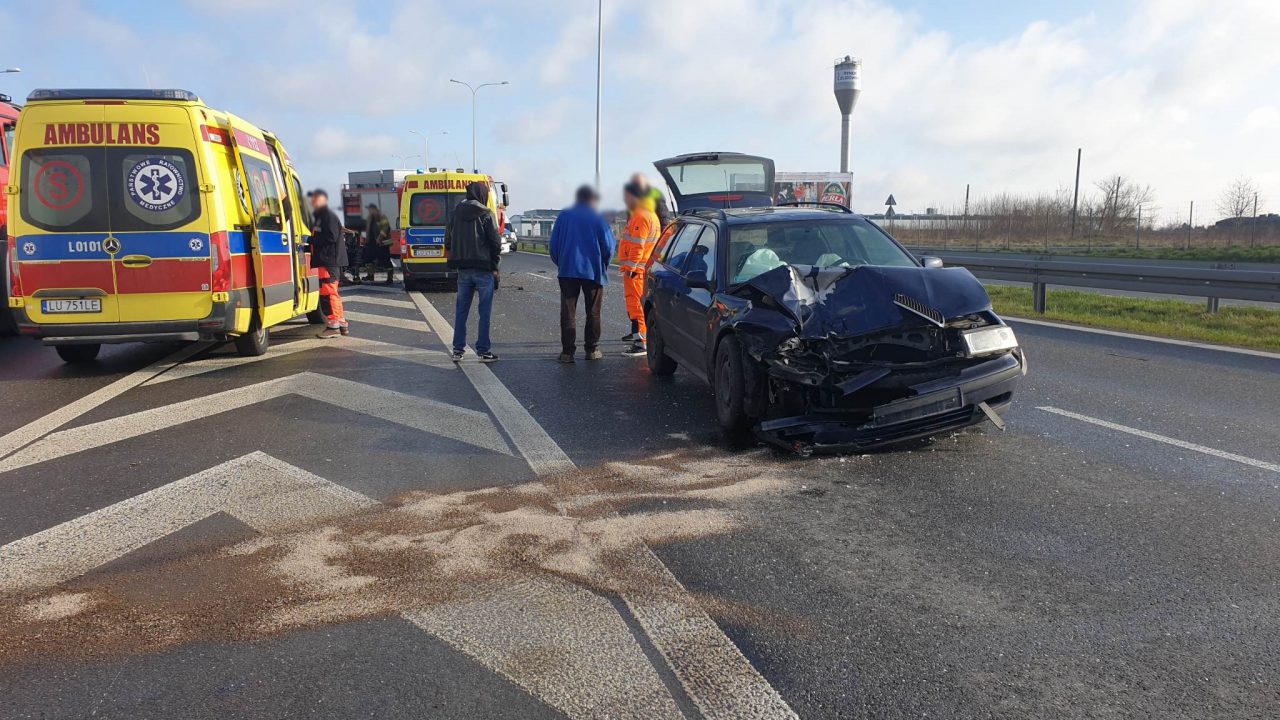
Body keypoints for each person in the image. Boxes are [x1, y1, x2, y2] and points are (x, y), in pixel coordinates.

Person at [549, 185, 616, 363]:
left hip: (568, 271)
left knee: (568, 312)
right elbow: (609, 246)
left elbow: (553, 246)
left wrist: (562, 263)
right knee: (593, 312)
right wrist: (604, 264)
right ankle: (591, 350)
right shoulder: (597, 217)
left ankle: (567, 353)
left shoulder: (564, 216)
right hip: (593, 271)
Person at [445, 181, 502, 363]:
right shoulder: (486, 214)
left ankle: (457, 350)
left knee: (461, 311)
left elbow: (448, 241)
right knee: (484, 312)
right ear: (482, 194)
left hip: (463, 270)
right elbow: (495, 243)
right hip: (483, 269)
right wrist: (495, 266)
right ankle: (484, 351)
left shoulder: (454, 214)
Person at [618, 181, 660, 357]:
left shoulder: (641, 216)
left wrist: (632, 267)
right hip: (639, 268)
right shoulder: (646, 214)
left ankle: (641, 342)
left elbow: (638, 246)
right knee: (636, 304)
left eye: (626, 196)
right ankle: (638, 337)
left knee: (636, 305)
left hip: (636, 270)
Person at [307, 189, 349, 338]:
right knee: (332, 293)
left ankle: (333, 326)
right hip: (328, 260)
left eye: (315, 199)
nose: (313, 202)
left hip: (328, 260)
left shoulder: (327, 216)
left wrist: (309, 240)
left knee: (327, 293)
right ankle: (341, 323)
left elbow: (331, 236)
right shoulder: (322, 217)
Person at [363, 204, 394, 285]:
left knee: (386, 261)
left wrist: (380, 238)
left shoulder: (382, 217)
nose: (369, 211)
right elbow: (368, 229)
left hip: (382, 244)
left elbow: (385, 228)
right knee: (368, 259)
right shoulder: (370, 218)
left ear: (375, 209)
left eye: (370, 209)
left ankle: (390, 278)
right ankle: (370, 275)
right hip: (372, 243)